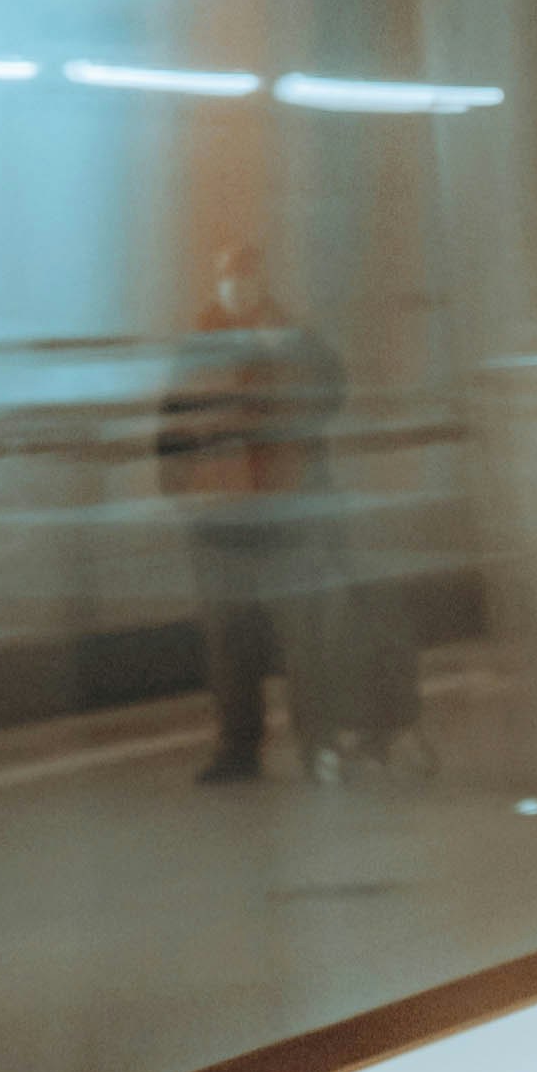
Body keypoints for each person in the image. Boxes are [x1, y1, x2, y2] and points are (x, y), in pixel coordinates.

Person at [162, 242, 346, 783]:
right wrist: (177, 487)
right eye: (228, 276)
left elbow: (331, 395)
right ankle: (239, 748)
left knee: (304, 637)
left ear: (262, 282)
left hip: (286, 511)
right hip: (220, 516)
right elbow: (174, 418)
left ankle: (320, 748)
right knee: (228, 639)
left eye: (245, 276)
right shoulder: (199, 346)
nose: (236, 286)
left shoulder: (294, 339)